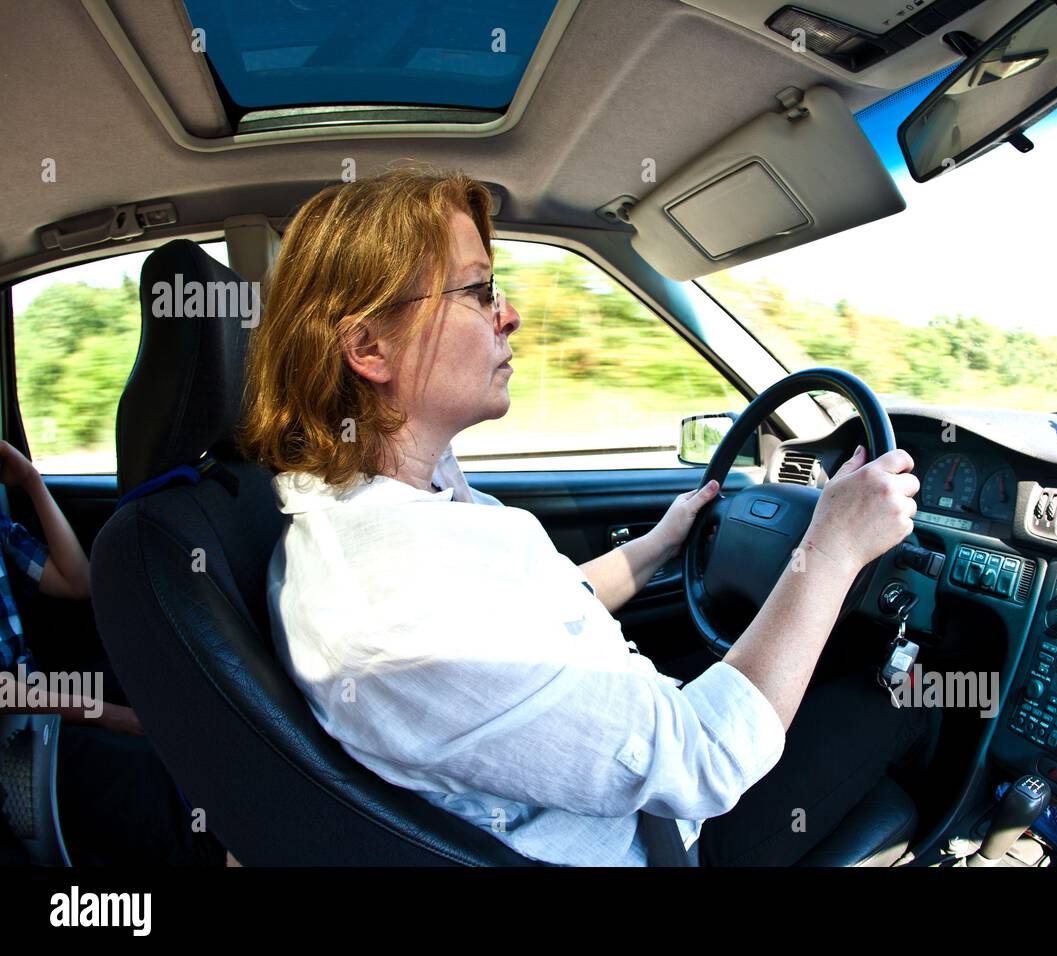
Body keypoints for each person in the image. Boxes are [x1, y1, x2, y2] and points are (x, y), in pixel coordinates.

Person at [238, 167, 927, 866]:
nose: (508, 315)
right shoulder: (399, 608)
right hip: (666, 839)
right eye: (478, 291)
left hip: (633, 755)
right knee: (907, 700)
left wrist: (663, 541)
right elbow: (710, 758)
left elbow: (546, 613)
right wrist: (833, 548)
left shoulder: (386, 509)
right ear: (369, 348)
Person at [0, 439, 224, 866]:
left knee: (160, 678)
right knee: (159, 784)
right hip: (11, 732)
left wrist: (31, 481)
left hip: (36, 695)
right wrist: (107, 714)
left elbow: (76, 580)